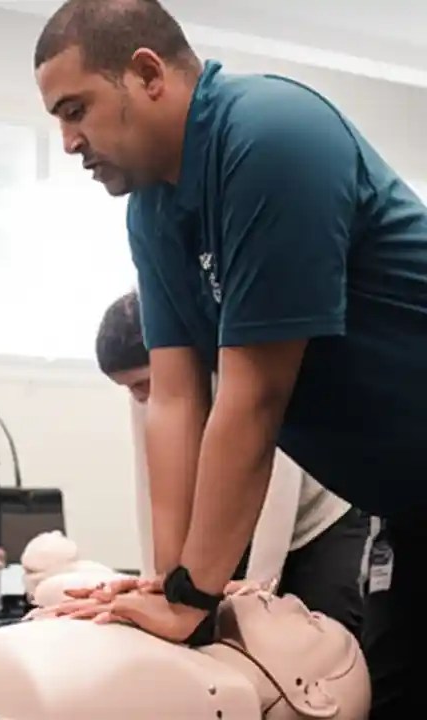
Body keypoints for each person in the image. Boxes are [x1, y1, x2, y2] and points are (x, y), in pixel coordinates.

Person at [32, 0, 427, 715]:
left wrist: (192, 596)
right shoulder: (151, 211)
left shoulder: (272, 137)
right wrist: (165, 583)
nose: (67, 141)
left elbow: (253, 401)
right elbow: (178, 401)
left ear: (146, 73)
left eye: (75, 109)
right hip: (406, 505)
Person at [96, 289, 370, 636]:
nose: (138, 395)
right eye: (127, 387)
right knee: (220, 629)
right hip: (237, 512)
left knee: (325, 638)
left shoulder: (238, 370)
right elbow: (152, 485)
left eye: (141, 382)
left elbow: (276, 477)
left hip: (321, 514)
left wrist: (260, 584)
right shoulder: (152, 394)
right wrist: (158, 584)